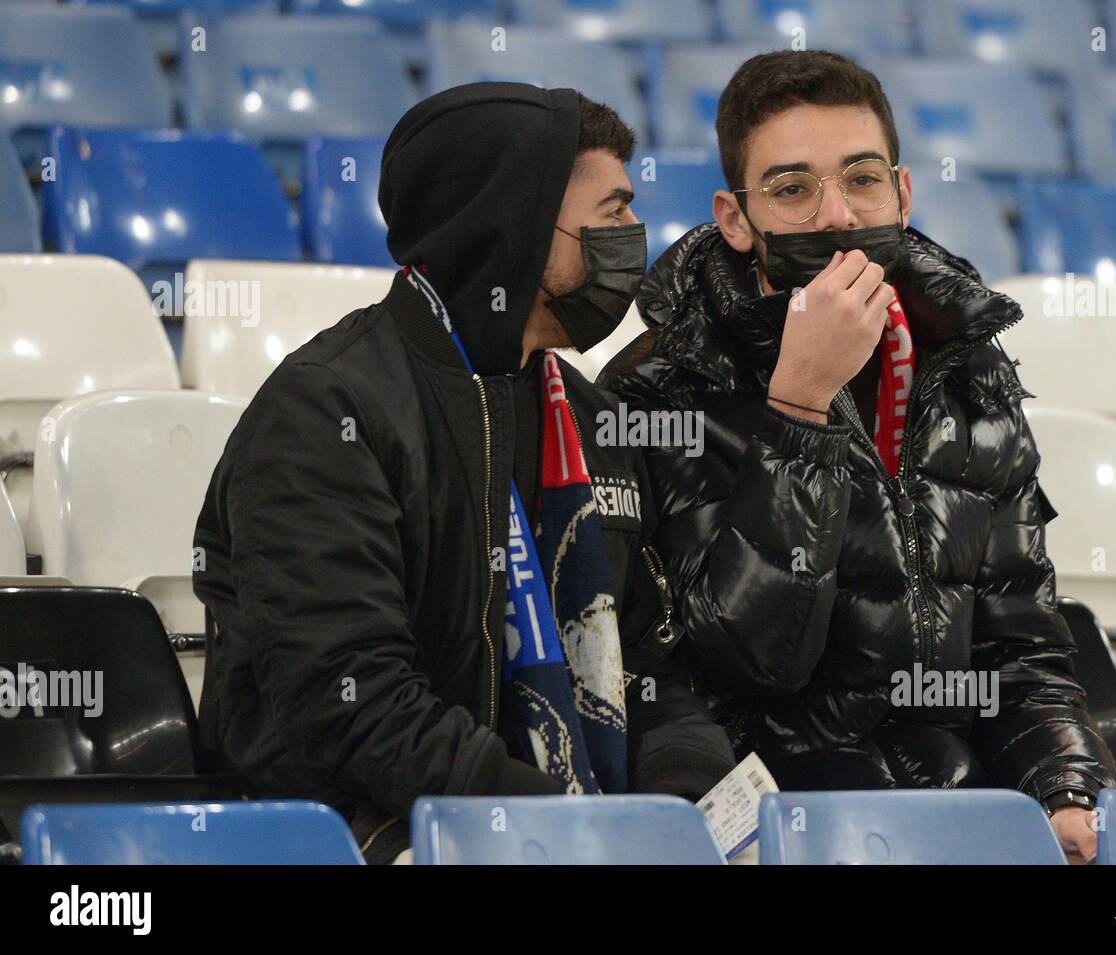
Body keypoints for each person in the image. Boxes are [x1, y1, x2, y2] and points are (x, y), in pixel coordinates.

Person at [598, 51, 1116, 864]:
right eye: (792, 189)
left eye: (862, 179)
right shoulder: (658, 391)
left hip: (958, 813)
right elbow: (744, 666)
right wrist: (799, 408)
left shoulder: (969, 368)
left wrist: (1065, 789)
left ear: (902, 194)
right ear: (736, 219)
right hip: (782, 827)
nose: (838, 216)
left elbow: (1020, 652)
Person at [192, 83, 734, 864]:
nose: (633, 239)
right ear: (509, 224)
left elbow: (648, 664)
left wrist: (686, 797)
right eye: (611, 212)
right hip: (356, 826)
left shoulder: (589, 417)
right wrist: (557, 826)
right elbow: (352, 705)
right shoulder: (325, 412)